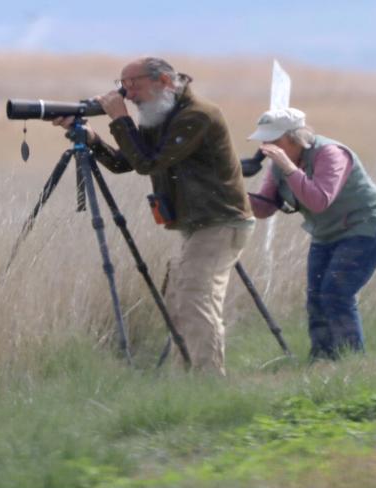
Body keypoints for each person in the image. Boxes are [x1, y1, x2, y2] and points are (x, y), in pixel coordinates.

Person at [53, 57, 254, 377]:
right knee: (178, 299)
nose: (128, 95)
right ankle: (188, 376)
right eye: (122, 87)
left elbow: (149, 163)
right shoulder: (160, 113)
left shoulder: (197, 115)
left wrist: (119, 118)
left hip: (219, 222)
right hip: (197, 225)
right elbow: (126, 163)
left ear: (163, 80)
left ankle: (208, 381)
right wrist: (92, 138)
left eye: (133, 86)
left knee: (195, 298)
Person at [246, 107, 376, 361]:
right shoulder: (278, 165)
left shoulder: (330, 154)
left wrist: (287, 167)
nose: (266, 146)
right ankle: (323, 359)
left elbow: (318, 201)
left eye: (273, 139)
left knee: (336, 292)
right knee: (316, 298)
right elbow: (263, 209)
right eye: (264, 140)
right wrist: (229, 189)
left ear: (294, 138)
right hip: (327, 233)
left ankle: (351, 360)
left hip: (366, 227)